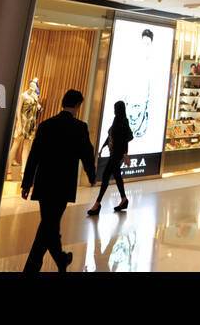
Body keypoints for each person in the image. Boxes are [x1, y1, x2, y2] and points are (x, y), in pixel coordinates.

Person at [20, 88, 96, 272]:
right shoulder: (79, 128)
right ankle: (33, 267)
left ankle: (61, 259)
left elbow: (34, 156)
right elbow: (87, 153)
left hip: (44, 183)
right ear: (78, 106)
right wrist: (91, 175)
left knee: (49, 222)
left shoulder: (46, 125)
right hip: (63, 185)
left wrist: (27, 182)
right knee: (49, 224)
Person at [88, 100, 133, 214]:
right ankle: (124, 199)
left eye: (115, 108)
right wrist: (103, 147)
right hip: (113, 152)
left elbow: (126, 138)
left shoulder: (124, 121)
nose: (114, 110)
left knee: (106, 176)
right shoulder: (116, 119)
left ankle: (97, 204)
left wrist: (125, 154)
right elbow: (111, 134)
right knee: (117, 176)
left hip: (117, 154)